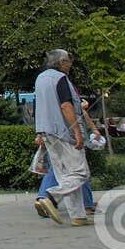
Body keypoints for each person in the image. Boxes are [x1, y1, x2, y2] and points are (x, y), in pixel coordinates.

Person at [32, 48, 91, 226]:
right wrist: (78, 132)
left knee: (65, 175)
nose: (70, 65)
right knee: (81, 172)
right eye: (68, 61)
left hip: (46, 131)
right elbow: (66, 106)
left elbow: (39, 105)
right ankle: (52, 196)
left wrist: (39, 132)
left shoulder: (40, 78)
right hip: (64, 132)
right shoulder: (60, 79)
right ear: (60, 62)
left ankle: (78, 216)